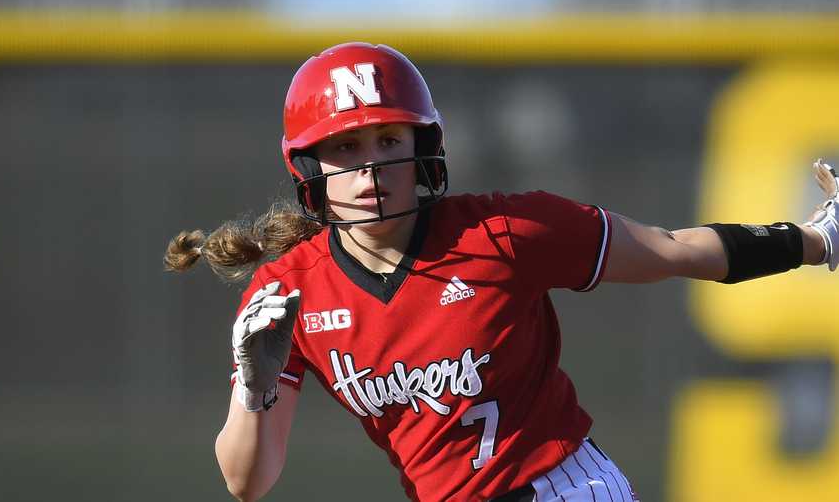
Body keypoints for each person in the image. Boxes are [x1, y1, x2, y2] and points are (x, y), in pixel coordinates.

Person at [163, 42, 839, 502]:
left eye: (389, 140)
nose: (369, 168)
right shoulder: (286, 293)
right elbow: (248, 482)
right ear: (309, 167)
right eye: (345, 148)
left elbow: (674, 250)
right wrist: (255, 387)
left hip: (564, 488)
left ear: (424, 148)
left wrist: (816, 239)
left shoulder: (502, 232)